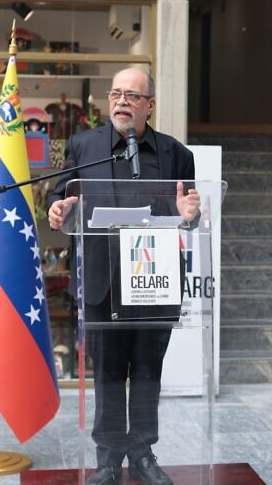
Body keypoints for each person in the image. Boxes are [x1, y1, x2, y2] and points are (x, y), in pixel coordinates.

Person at [47, 68, 200, 485]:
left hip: (154, 280)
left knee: (148, 370)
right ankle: (109, 458)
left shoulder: (175, 154)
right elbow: (59, 194)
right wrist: (57, 208)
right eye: (115, 94)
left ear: (150, 105)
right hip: (103, 280)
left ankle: (143, 453)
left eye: (132, 96)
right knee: (109, 373)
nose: (121, 102)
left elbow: (189, 210)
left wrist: (192, 215)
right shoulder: (84, 146)